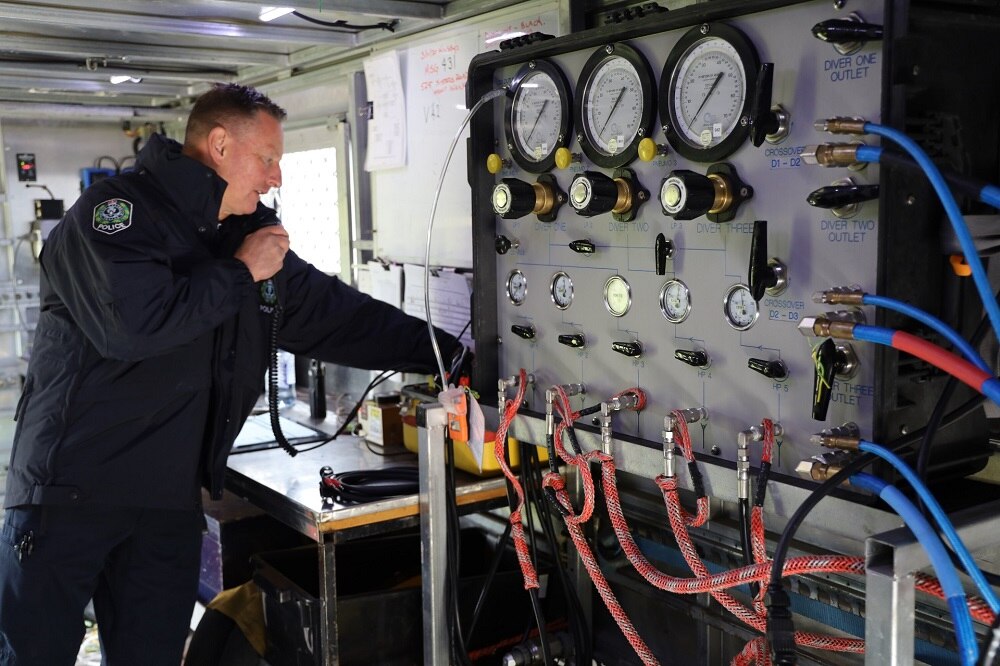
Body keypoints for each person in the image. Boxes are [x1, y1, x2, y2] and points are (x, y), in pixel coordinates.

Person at [0, 83, 462, 665]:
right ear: (219, 144)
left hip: (165, 503)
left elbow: (338, 318)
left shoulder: (245, 238)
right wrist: (241, 274)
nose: (276, 178)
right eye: (267, 159)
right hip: (69, 493)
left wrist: (453, 356)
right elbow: (133, 328)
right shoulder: (115, 214)